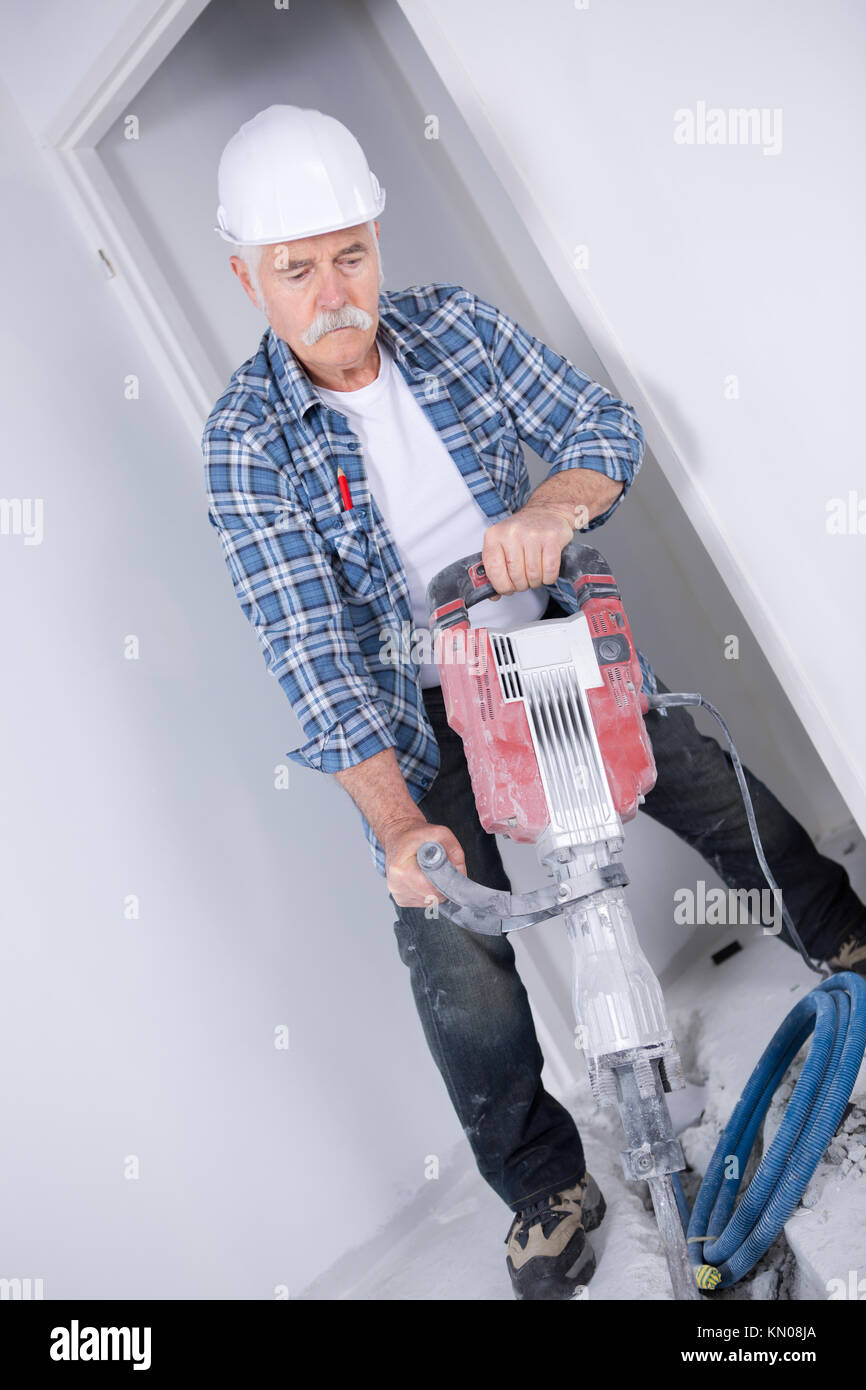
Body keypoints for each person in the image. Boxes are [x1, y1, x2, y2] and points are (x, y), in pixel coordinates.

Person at [202, 105, 866, 1301]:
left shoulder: (452, 326)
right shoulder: (245, 442)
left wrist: (547, 512)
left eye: (350, 252)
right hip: (413, 711)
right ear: (244, 274)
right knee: (450, 942)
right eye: (295, 271)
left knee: (708, 785)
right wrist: (403, 830)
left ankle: (847, 944)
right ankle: (544, 1185)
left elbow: (599, 427)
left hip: (546, 651)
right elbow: (308, 650)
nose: (332, 290)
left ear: (376, 239)